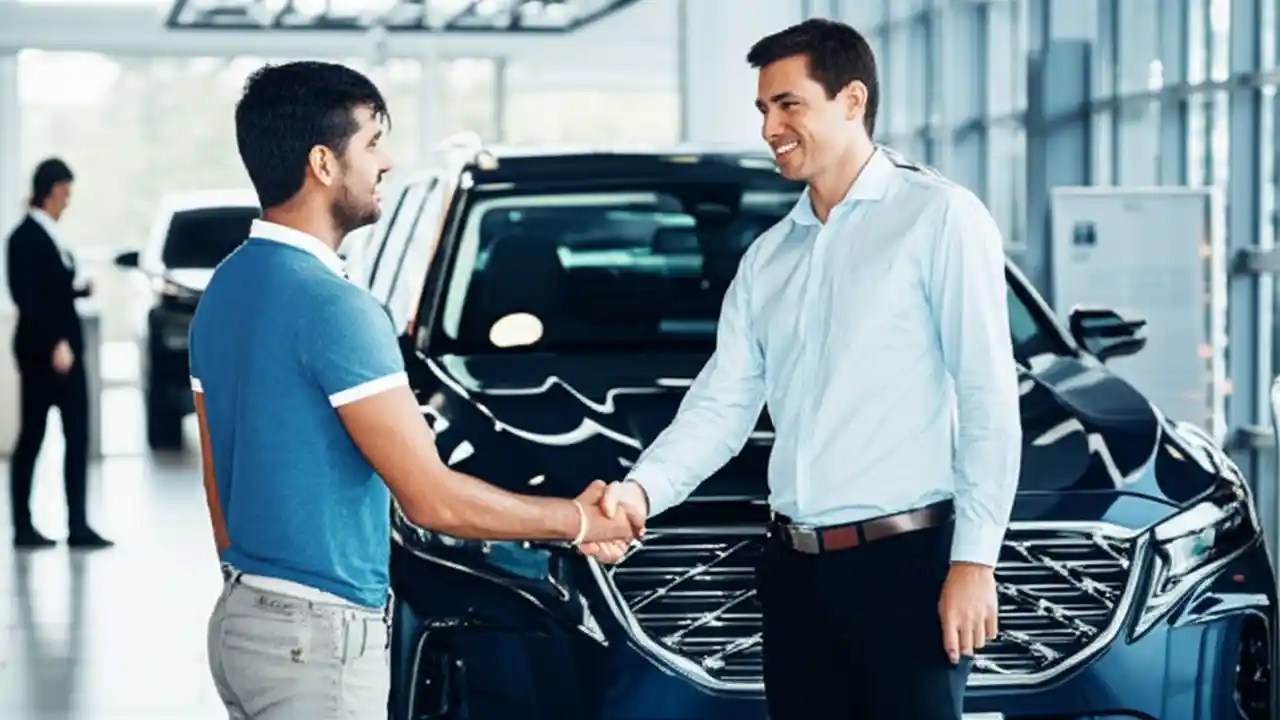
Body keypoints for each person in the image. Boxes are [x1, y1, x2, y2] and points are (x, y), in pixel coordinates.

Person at [582, 18, 1022, 720]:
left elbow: (987, 395)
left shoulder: (937, 217)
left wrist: (975, 560)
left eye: (789, 104)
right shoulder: (769, 258)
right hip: (795, 573)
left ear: (852, 100)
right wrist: (638, 495)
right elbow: (721, 407)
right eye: (763, 108)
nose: (770, 127)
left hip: (906, 567)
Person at [191, 61, 642, 720]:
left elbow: (216, 480)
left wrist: (263, 595)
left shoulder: (226, 288)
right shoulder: (334, 308)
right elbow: (431, 499)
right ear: (323, 162)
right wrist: (577, 519)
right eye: (372, 141)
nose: (387, 161)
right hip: (316, 640)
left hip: (245, 622)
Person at [5, 158, 112, 550]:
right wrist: (57, 342)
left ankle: (78, 524)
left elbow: (52, 289)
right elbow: (28, 298)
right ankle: (22, 525)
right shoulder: (23, 238)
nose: (67, 202)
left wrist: (79, 289)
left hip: (63, 350)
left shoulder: (51, 236)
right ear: (50, 191)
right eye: (65, 193)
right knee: (32, 436)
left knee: (77, 437)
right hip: (44, 354)